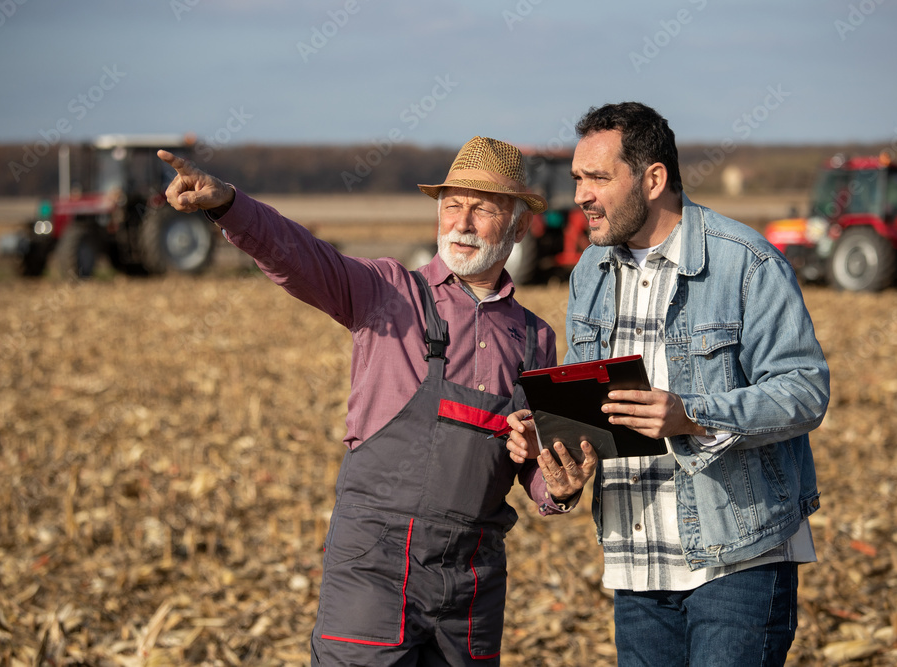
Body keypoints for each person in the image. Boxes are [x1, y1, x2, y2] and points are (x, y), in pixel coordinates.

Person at [157, 136, 589, 666]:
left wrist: (558, 489)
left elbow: (536, 460)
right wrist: (229, 205)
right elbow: (300, 256)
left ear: (521, 226)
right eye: (452, 205)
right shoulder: (387, 293)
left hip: (472, 581)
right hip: (375, 568)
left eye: (484, 209)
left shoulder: (534, 338)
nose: (463, 223)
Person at [505, 102, 830, 666]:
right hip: (635, 559)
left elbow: (804, 390)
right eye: (579, 178)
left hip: (739, 558)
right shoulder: (589, 272)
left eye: (598, 178)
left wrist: (692, 416)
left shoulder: (744, 262)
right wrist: (554, 451)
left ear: (653, 179)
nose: (582, 193)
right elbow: (591, 412)